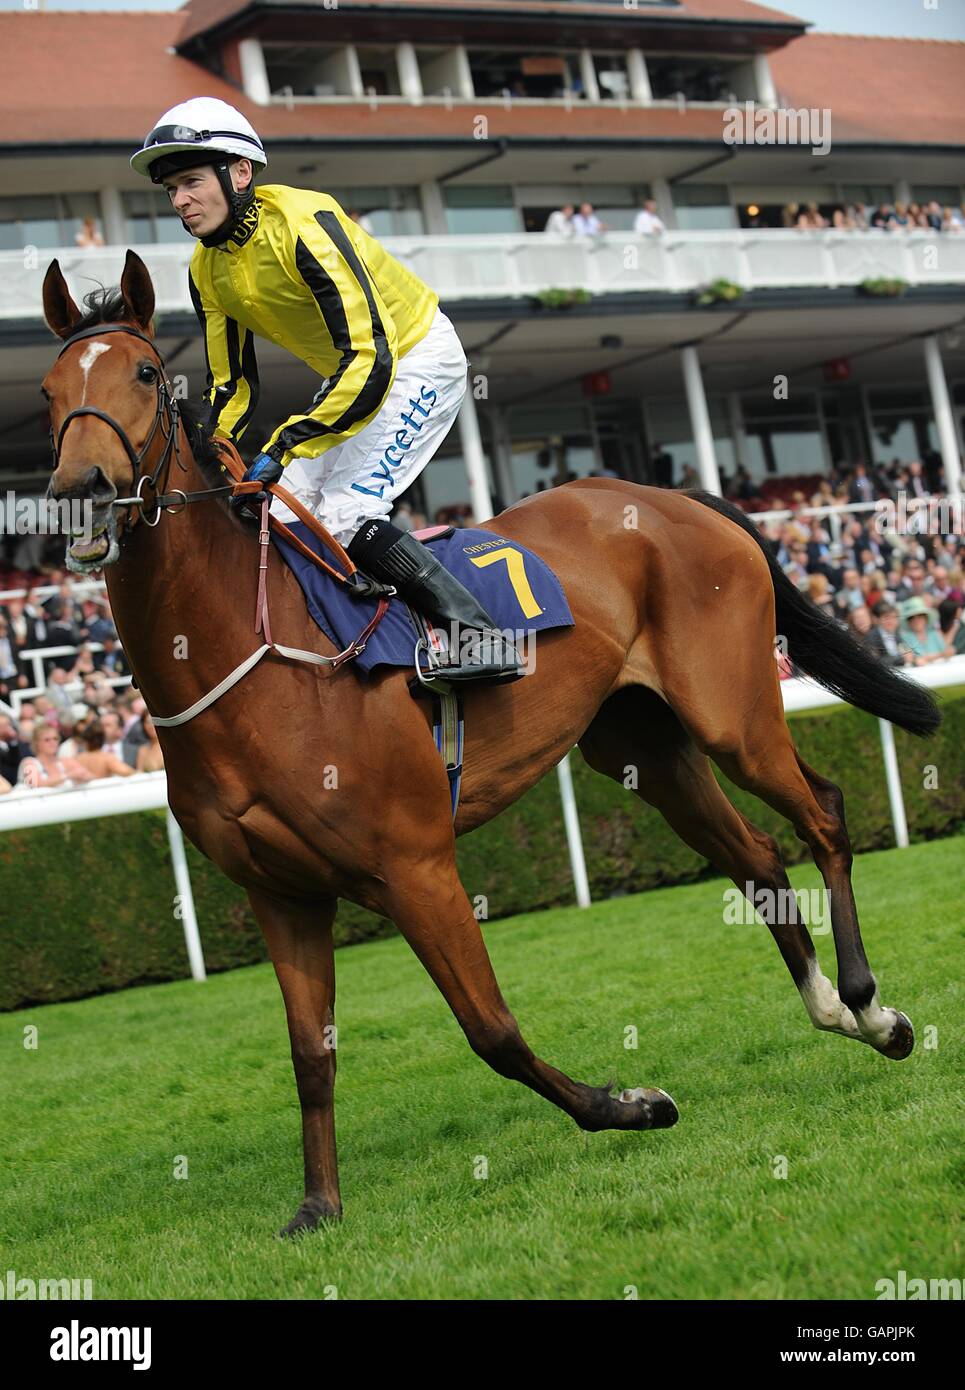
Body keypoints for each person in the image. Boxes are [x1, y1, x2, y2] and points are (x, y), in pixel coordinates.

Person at [131, 96, 522, 687]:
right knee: (282, 510)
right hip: (354, 377)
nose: (180, 201)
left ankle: (483, 637)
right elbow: (230, 383)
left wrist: (285, 443)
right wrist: (212, 457)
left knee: (342, 513)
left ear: (239, 174)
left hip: (415, 358)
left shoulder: (306, 224)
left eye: (190, 182)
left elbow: (372, 356)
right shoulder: (206, 268)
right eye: (170, 191)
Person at [899, 597, 949, 664]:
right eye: (911, 618)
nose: (916, 620)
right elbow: (909, 659)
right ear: (908, 622)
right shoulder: (905, 638)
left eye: (920, 615)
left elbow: (949, 652)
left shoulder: (934, 633)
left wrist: (927, 658)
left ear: (926, 618)